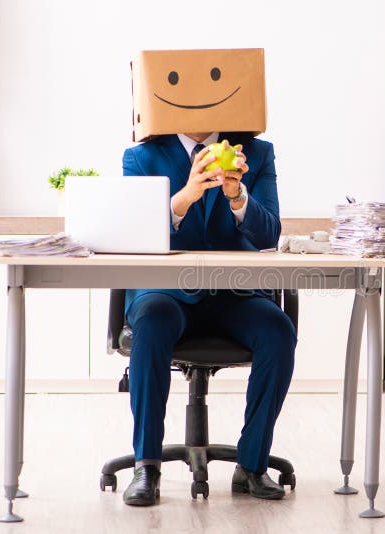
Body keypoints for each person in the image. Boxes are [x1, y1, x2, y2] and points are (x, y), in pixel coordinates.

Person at [120, 131, 296, 505]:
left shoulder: (257, 153)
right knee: (150, 324)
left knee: (278, 331)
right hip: (167, 295)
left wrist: (238, 196)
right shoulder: (141, 158)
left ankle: (251, 465)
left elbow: (269, 234)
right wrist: (184, 198)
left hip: (236, 294)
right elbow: (131, 234)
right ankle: (146, 465)